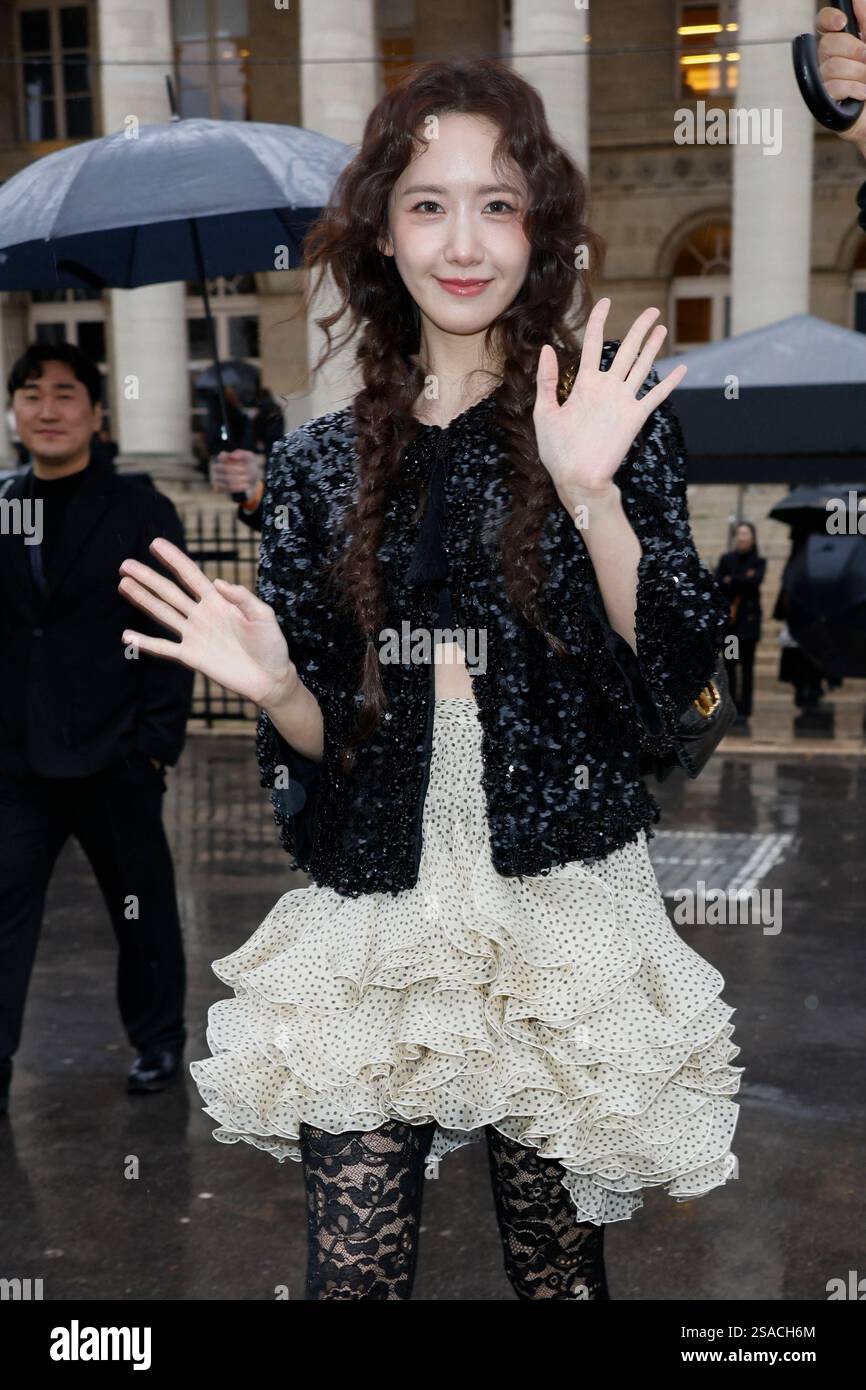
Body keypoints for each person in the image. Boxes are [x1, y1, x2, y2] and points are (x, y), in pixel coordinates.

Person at [116, 59, 743, 1301]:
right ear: (381, 235)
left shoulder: (604, 420)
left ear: (540, 229)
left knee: (556, 1274)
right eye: (427, 204)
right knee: (350, 1278)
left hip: (555, 888)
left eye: (497, 204)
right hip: (380, 895)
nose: (465, 242)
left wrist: (589, 493)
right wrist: (281, 685)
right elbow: (315, 745)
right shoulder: (313, 469)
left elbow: (676, 691)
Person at [0, 343, 194, 1114]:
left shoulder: (139, 508)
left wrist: (151, 748)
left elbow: (175, 631)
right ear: (14, 412)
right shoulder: (6, 502)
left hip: (115, 755)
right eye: (30, 395)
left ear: (98, 413)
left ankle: (157, 1042)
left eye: (65, 395)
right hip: (16, 762)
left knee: (139, 907)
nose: (47, 410)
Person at [715, 521, 766, 730]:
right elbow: (719, 582)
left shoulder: (758, 561)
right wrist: (741, 579)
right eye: (739, 534)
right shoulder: (726, 559)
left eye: (746, 533)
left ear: (752, 538)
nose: (742, 537)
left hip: (749, 626)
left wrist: (732, 580)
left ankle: (745, 710)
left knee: (747, 669)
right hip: (731, 627)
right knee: (730, 667)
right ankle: (731, 709)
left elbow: (754, 582)